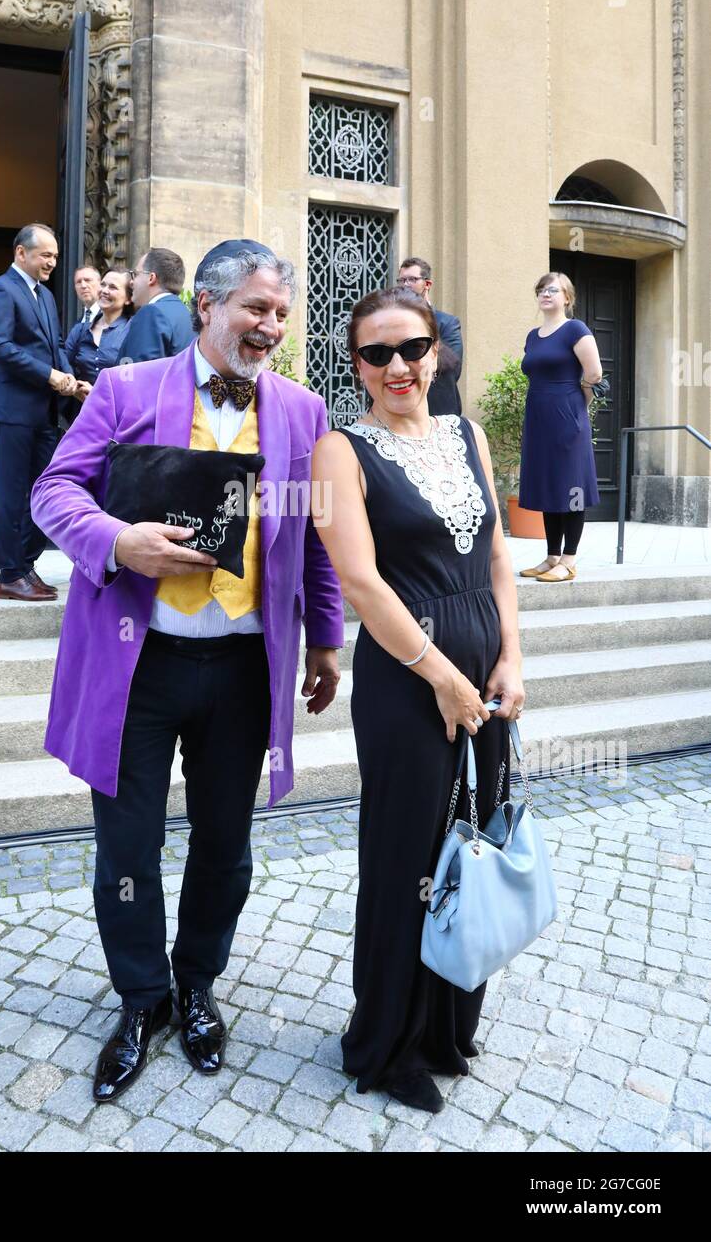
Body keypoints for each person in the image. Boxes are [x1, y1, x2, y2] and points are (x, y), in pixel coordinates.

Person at [31, 239, 344, 1103]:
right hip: (140, 667)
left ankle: (198, 982)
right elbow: (54, 492)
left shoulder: (302, 412)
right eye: (256, 307)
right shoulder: (128, 390)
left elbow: (314, 538)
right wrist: (114, 541)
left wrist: (324, 638)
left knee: (225, 843)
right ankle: (141, 999)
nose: (271, 325)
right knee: (127, 844)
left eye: (281, 312)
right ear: (205, 305)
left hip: (245, 666)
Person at [311, 286, 524, 1115]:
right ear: (358, 366)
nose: (398, 366)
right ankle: (389, 1039)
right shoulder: (338, 451)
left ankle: (446, 1024)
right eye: (377, 354)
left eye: (413, 348)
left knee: (471, 847)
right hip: (410, 678)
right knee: (407, 857)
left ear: (438, 350)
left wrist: (512, 655)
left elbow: (500, 553)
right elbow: (359, 580)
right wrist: (440, 675)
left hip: (487, 672)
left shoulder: (468, 433)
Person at [0, 223, 75, 601]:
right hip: (11, 409)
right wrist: (49, 374)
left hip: (45, 412)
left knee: (47, 490)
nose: (51, 262)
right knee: (12, 491)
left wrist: (69, 377)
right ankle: (9, 574)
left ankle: (25, 565)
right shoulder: (0, 289)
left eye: (54, 256)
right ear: (21, 253)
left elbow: (57, 346)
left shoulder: (46, 297)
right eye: (44, 255)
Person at [518, 272, 603, 582]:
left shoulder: (575, 329)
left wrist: (577, 406)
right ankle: (552, 555)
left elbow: (594, 373)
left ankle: (569, 559)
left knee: (571, 485)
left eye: (552, 290)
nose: (545, 294)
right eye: (541, 289)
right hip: (538, 417)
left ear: (567, 298)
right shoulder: (532, 335)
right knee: (548, 482)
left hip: (567, 415)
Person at [398, 257, 463, 415]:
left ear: (427, 284)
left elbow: (452, 368)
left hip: (437, 409)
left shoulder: (447, 323)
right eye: (401, 280)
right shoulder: (393, 321)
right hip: (399, 406)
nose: (405, 285)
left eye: (412, 279)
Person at [63, 270, 133, 408]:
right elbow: (64, 364)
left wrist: (97, 393)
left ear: (128, 299)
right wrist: (73, 385)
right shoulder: (80, 330)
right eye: (103, 284)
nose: (104, 290)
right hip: (81, 414)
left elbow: (129, 382)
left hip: (115, 416)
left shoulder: (132, 331)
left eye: (112, 287)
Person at [117, 247, 195, 364]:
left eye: (136, 274)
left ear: (151, 278)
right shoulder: (187, 315)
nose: (131, 282)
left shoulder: (151, 313)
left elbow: (137, 374)